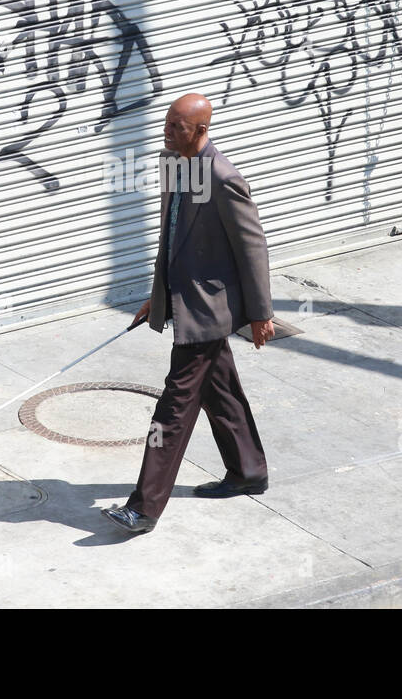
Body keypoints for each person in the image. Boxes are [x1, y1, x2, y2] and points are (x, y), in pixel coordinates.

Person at [103, 93, 275, 534]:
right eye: (166, 123)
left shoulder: (223, 177)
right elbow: (173, 237)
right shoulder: (175, 162)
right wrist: (157, 294)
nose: (167, 131)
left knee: (174, 408)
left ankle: (143, 508)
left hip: (208, 307)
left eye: (176, 126)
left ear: (201, 130)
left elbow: (252, 248)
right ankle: (248, 470)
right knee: (221, 391)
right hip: (185, 300)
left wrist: (260, 313)